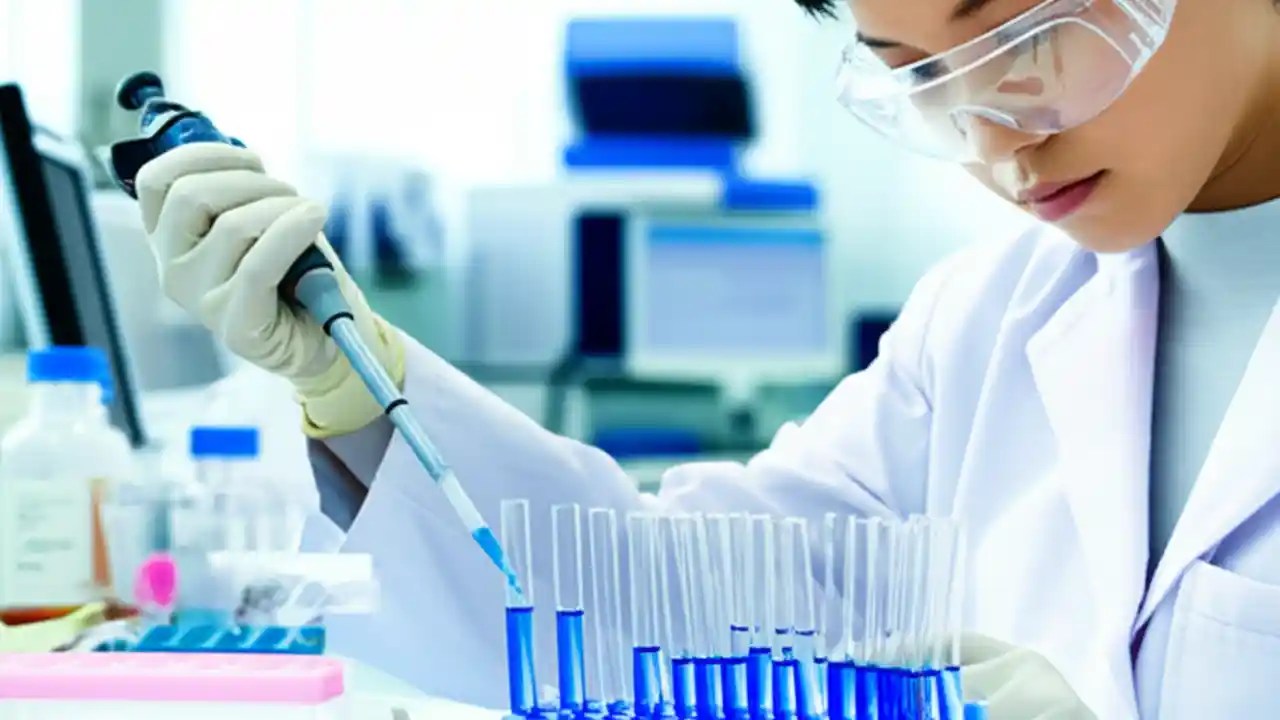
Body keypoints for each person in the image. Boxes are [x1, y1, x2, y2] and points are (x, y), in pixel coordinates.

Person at [133, 0, 1280, 716]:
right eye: (920, 76)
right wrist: (359, 386)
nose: (991, 136)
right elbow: (666, 613)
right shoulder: (991, 321)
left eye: (1025, 39)